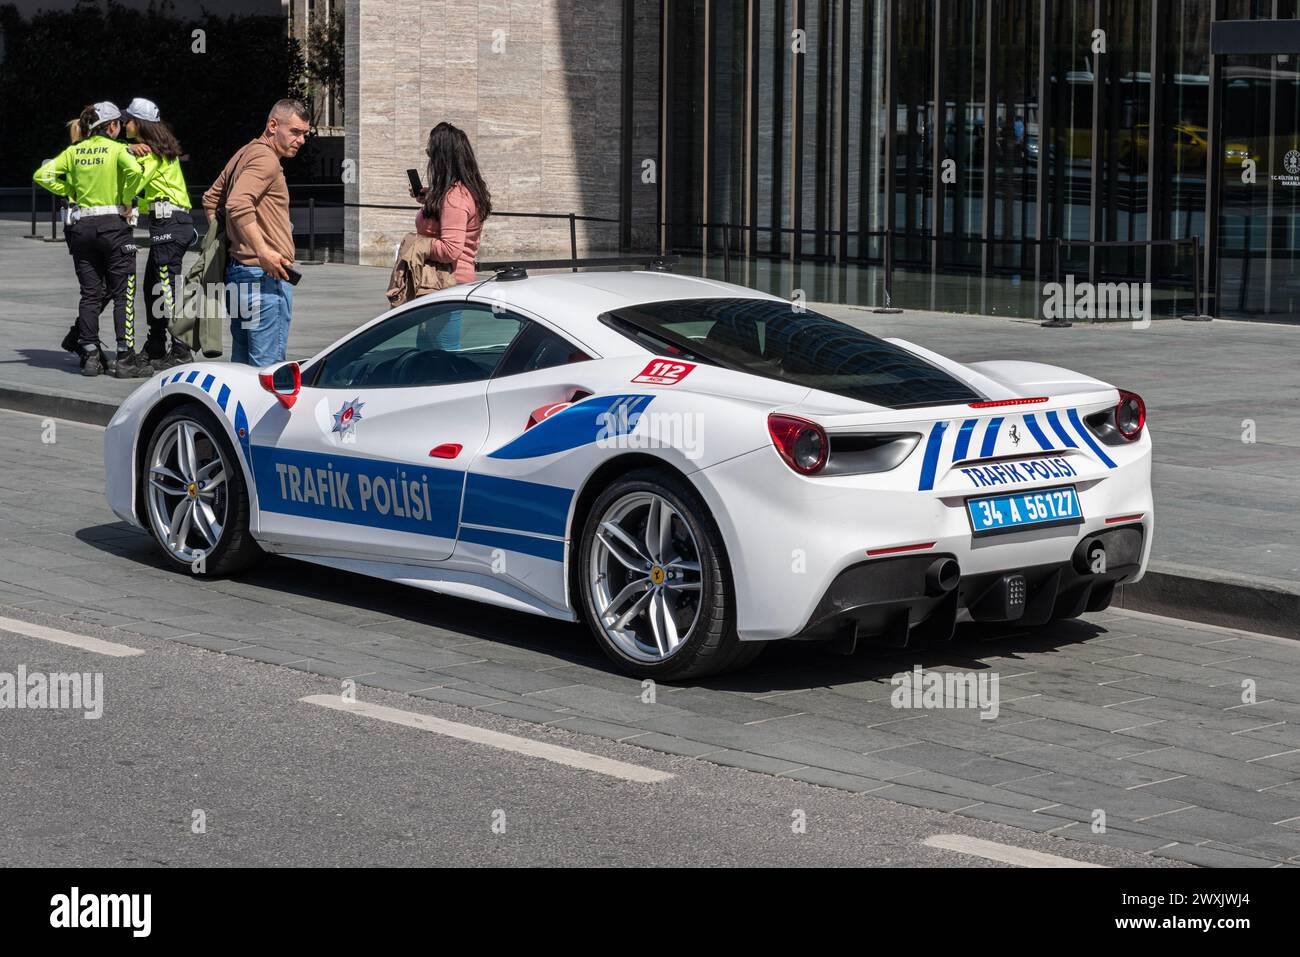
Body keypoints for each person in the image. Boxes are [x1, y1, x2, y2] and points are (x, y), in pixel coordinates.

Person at [33, 102, 148, 378]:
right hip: (112, 224)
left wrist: (69, 188)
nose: (120, 128)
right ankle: (125, 358)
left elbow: (42, 175)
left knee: (90, 294)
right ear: (111, 126)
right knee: (123, 293)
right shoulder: (116, 149)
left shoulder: (74, 151)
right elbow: (135, 172)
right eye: (118, 123)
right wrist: (126, 199)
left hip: (82, 226)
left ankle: (91, 358)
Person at [201, 99, 308, 366]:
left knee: (242, 367)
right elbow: (237, 203)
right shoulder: (266, 159)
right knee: (267, 369)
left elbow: (210, 200)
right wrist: (262, 251)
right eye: (295, 132)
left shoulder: (245, 152)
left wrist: (233, 241)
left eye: (304, 133)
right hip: (264, 278)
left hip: (240, 274)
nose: (301, 140)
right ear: (273, 125)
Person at [123, 98, 196, 371]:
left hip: (170, 224)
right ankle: (155, 345)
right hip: (165, 223)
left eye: (128, 119)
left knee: (165, 289)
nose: (123, 124)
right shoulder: (155, 151)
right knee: (153, 286)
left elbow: (134, 182)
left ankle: (180, 350)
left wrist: (122, 201)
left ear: (139, 124)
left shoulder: (151, 154)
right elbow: (148, 194)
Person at [408, 122, 491, 348]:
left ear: (442, 158)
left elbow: (451, 249)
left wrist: (415, 245)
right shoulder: (458, 192)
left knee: (441, 353)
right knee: (429, 352)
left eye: (430, 153)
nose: (429, 160)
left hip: (447, 283)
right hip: (442, 284)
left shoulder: (454, 198)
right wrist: (431, 197)